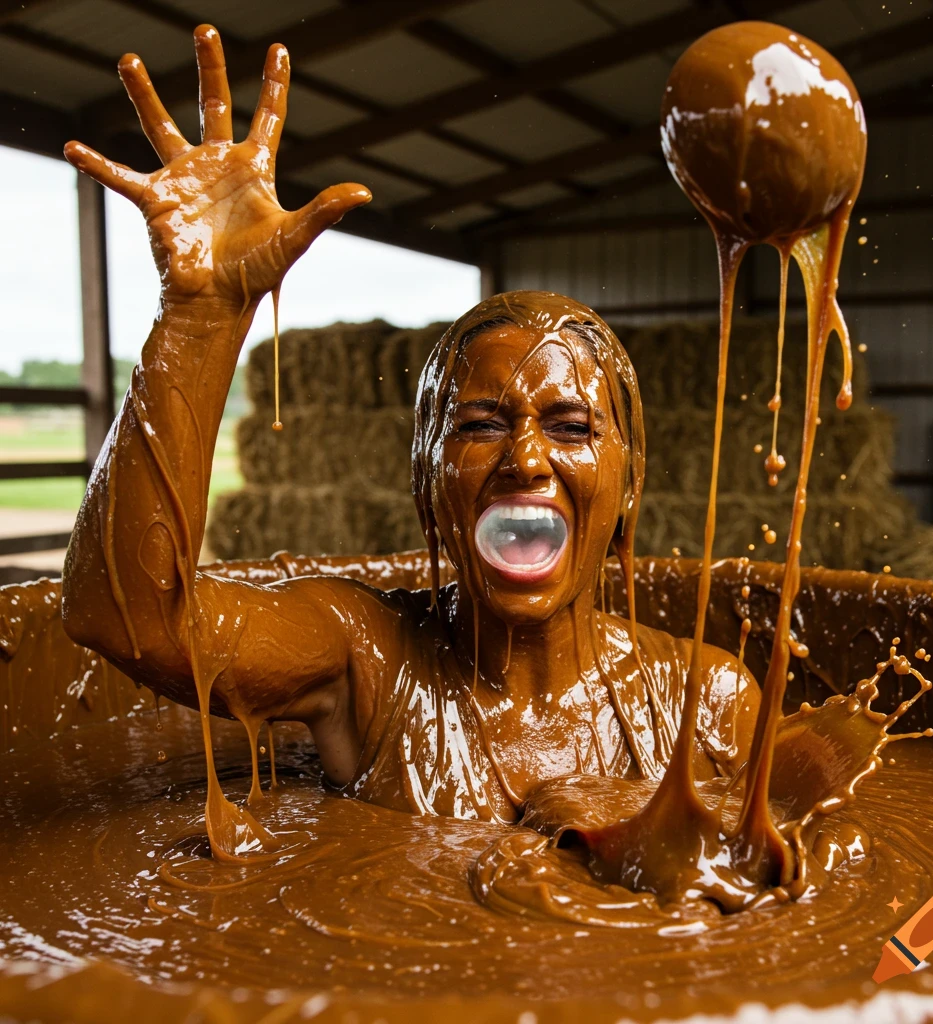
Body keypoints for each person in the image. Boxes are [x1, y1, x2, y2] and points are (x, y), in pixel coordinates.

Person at [61, 25, 759, 825]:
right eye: (478, 426)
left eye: (569, 427)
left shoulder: (708, 700)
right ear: (426, 483)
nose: (526, 457)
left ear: (628, 485)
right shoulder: (368, 654)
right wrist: (200, 316)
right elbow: (125, 618)